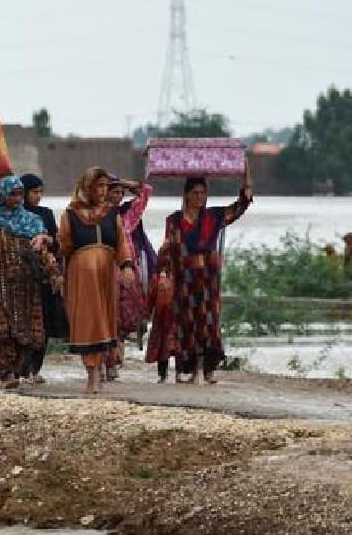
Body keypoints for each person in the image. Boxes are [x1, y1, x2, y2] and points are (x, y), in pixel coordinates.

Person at [0, 176, 61, 389]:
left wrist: (54, 273)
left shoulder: (33, 222)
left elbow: (43, 251)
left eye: (19, 194)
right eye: (12, 194)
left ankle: (16, 370)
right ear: (3, 195)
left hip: (26, 286)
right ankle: (5, 373)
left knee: (23, 330)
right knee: (1, 328)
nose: (16, 199)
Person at [159, 171, 253, 384]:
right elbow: (168, 250)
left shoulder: (214, 217)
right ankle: (189, 369)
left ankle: (208, 369)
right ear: (186, 195)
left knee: (208, 323)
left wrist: (246, 174)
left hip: (208, 281)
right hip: (184, 281)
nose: (199, 197)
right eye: (195, 192)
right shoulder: (174, 220)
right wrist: (164, 274)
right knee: (186, 324)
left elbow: (242, 204)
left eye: (203, 192)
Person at [59, 166, 135, 393]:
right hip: (81, 277)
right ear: (87, 187)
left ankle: (99, 372)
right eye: (98, 186)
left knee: (104, 321)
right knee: (87, 322)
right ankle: (91, 374)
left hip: (106, 275)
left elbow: (121, 244)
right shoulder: (70, 214)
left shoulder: (112, 214)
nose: (103, 191)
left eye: (105, 186)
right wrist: (47, 244)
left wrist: (127, 267)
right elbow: (63, 245)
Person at [103, 175, 153, 381]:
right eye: (113, 191)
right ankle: (108, 363)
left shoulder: (128, 214)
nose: (117, 196)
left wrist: (123, 182)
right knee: (107, 316)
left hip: (126, 269)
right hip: (104, 267)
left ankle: (114, 361)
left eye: (120, 193)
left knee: (124, 317)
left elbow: (145, 191)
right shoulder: (96, 213)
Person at [19, 172, 64, 384]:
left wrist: (47, 239)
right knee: (23, 323)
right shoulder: (14, 215)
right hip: (20, 275)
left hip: (43, 275)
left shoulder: (45, 214)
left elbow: (57, 243)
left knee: (44, 322)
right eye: (34, 192)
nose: (38, 196)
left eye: (40, 192)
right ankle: (22, 368)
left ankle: (35, 369)